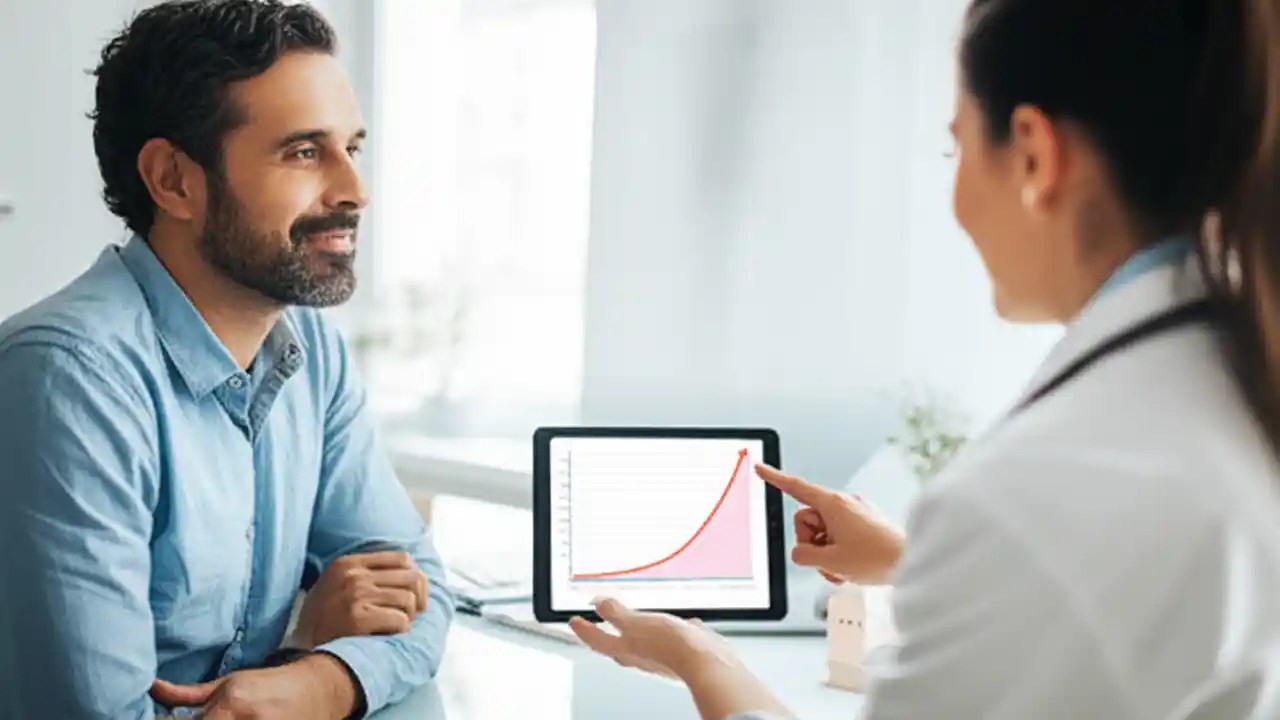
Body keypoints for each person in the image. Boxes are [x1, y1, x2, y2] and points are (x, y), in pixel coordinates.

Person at [571, 0, 1280, 718]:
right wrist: (915, 565)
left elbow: (1078, 561)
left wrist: (705, 661)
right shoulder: (1227, 385)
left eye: (956, 149)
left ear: (1034, 156)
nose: (956, 196)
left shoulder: (1047, 491)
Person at [0, 1, 454, 717]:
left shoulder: (314, 352)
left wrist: (321, 679)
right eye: (304, 152)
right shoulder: (68, 379)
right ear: (174, 181)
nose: (353, 190)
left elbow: (422, 591)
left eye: (352, 149)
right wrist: (304, 654)